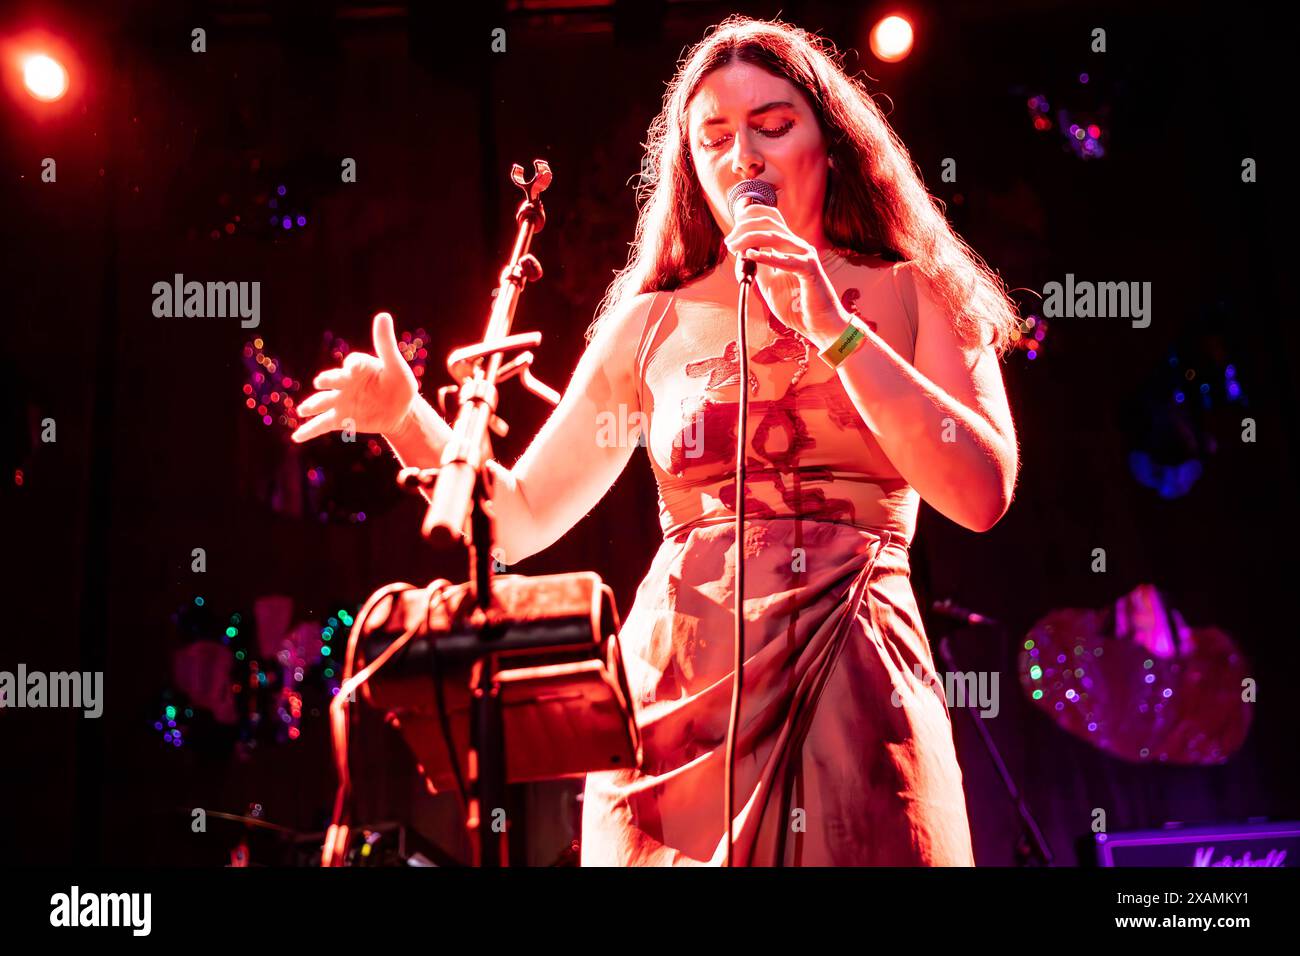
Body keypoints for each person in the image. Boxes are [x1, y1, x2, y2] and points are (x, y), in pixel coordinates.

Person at [291, 15, 1019, 866]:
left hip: (856, 682)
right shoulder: (650, 324)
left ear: (832, 143)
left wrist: (835, 330)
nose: (743, 157)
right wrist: (405, 420)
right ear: (691, 167)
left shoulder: (914, 293)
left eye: (773, 126)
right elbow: (517, 519)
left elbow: (981, 492)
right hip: (675, 706)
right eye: (714, 138)